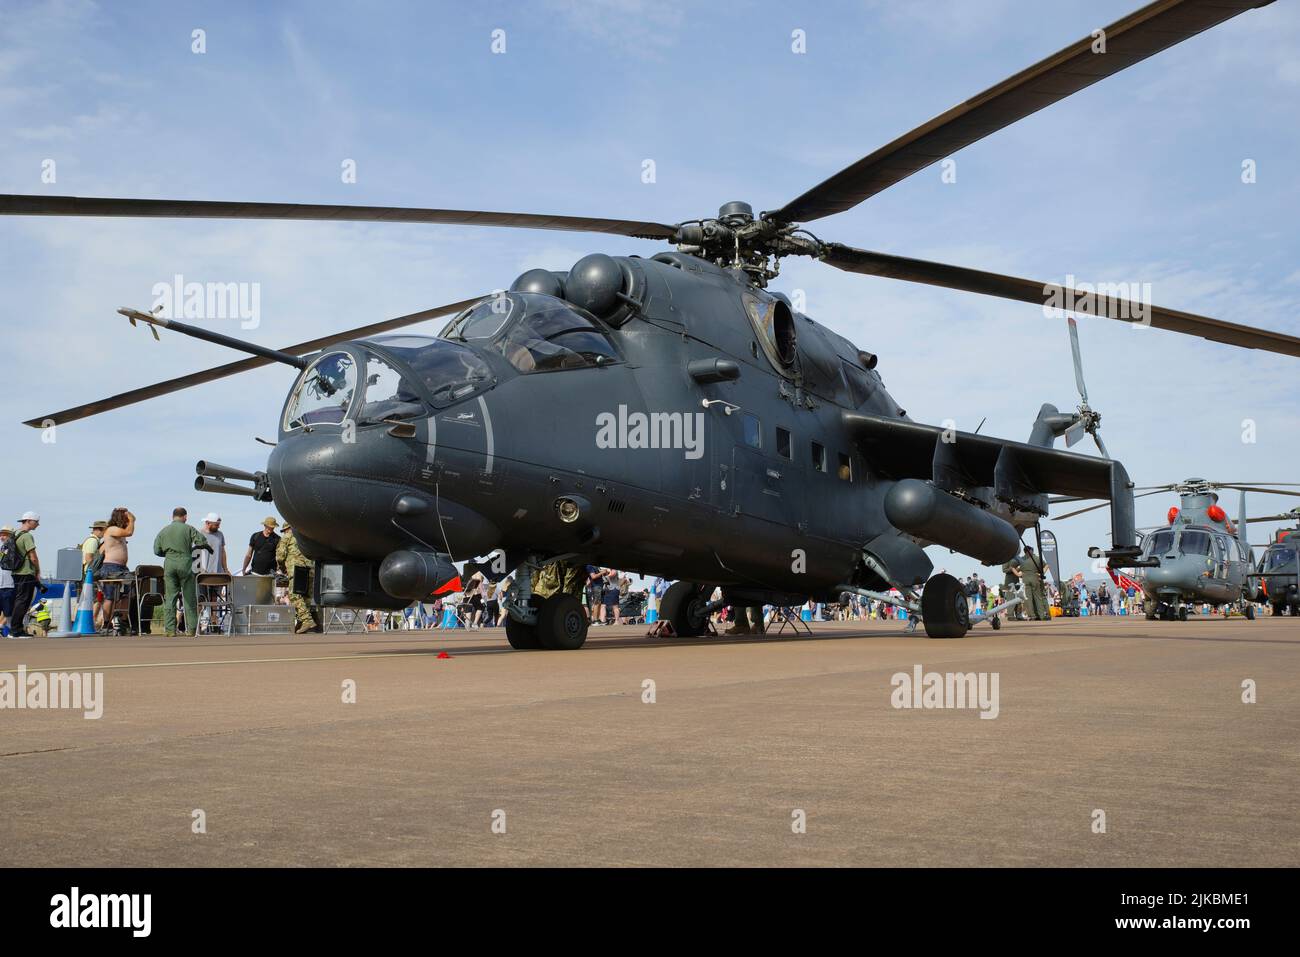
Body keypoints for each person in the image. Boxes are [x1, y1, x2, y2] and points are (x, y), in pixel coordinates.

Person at [153, 508, 210, 637]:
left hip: (169, 564)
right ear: (185, 517)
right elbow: (201, 541)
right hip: (185, 564)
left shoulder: (163, 531)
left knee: (170, 597)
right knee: (189, 597)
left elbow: (156, 550)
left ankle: (170, 630)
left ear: (172, 516)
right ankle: (191, 630)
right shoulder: (189, 528)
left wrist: (168, 553)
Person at [276, 522, 319, 634]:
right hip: (310, 569)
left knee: (294, 595)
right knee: (306, 597)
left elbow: (280, 556)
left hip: (296, 569)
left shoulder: (287, 536)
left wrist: (282, 567)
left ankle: (307, 620)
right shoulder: (307, 536)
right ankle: (301, 623)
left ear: (287, 528)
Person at [8, 512, 43, 639]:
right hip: (26, 572)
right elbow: (33, 557)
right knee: (23, 601)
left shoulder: (15, 533)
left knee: (19, 600)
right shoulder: (27, 536)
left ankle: (15, 629)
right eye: (36, 522)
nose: (38, 525)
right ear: (29, 521)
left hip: (16, 571)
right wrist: (38, 571)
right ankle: (15, 631)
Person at [82, 520, 108, 630]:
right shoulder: (93, 541)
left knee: (96, 599)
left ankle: (92, 621)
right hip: (91, 574)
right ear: (100, 530)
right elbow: (89, 558)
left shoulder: (91, 540)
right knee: (96, 599)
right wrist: (96, 572)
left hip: (89, 574)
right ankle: (92, 622)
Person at [1018, 545, 1050, 622]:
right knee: (1038, 597)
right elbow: (1047, 565)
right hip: (1035, 578)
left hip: (1025, 579)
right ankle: (1041, 615)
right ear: (1031, 551)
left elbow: (1015, 568)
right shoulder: (1036, 558)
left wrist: (1019, 573)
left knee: (1028, 598)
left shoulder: (1021, 559)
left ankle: (1032, 616)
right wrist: (1042, 573)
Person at [0, 526, 16, 636]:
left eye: (5, 534)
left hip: (8, 584)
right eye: (1, 534)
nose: (2, 536)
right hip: (1, 584)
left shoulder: (13, 547)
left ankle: (10, 630)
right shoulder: (2, 548)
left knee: (8, 610)